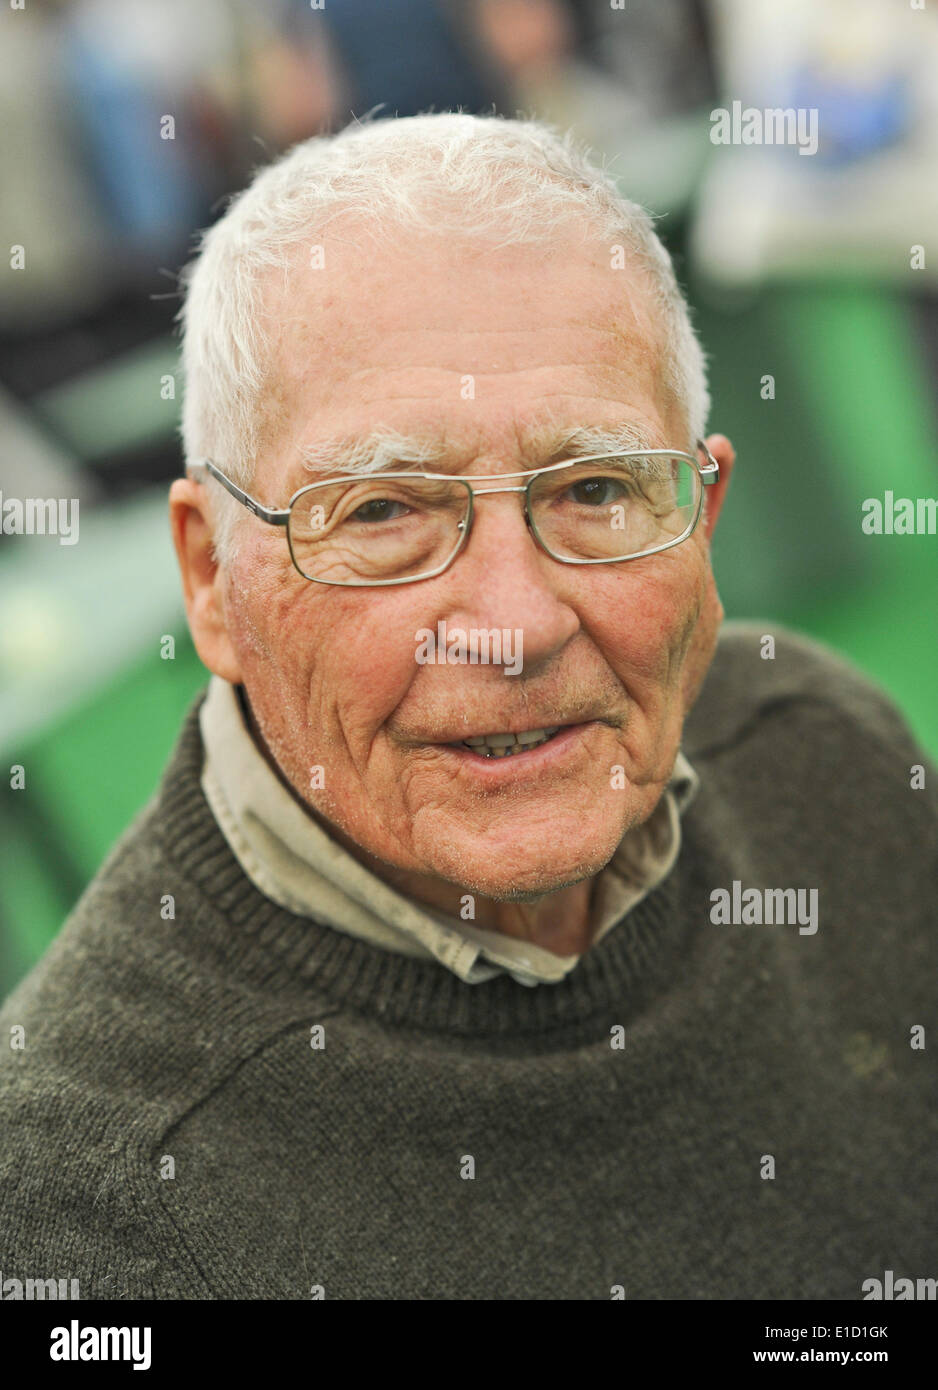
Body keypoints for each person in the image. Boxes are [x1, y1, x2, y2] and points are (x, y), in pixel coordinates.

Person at [1, 113, 934, 1300]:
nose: (515, 622)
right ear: (211, 580)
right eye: (385, 511)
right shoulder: (79, 1221)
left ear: (702, 514)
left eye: (595, 487)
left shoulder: (819, 747)